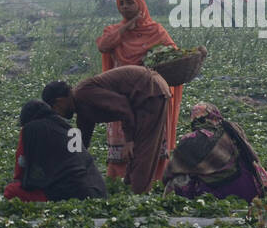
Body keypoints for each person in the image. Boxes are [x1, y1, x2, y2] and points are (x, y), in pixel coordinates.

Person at [96, 0, 183, 183]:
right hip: (121, 93)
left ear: (140, 4)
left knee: (150, 135)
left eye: (130, 3)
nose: (125, 7)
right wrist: (126, 27)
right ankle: (121, 176)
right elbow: (103, 46)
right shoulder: (113, 32)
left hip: (148, 93)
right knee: (124, 134)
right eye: (122, 3)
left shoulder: (156, 31)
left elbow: (173, 55)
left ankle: (154, 175)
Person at [43, 65, 171, 194]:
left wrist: (129, 140)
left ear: (59, 101)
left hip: (148, 90)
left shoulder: (83, 93)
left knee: (143, 153)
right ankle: (130, 192)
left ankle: (139, 198)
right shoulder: (81, 110)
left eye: (55, 109)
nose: (59, 114)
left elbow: (123, 107)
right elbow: (83, 142)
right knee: (136, 154)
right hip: (145, 94)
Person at [164, 102, 267, 201]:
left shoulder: (190, 139)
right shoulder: (231, 130)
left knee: (179, 179)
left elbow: (172, 170)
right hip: (247, 191)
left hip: (213, 195)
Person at [4, 99, 107, 202]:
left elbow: (21, 163)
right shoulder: (66, 127)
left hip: (68, 192)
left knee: (11, 190)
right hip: (97, 190)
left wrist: (20, 181)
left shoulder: (31, 128)